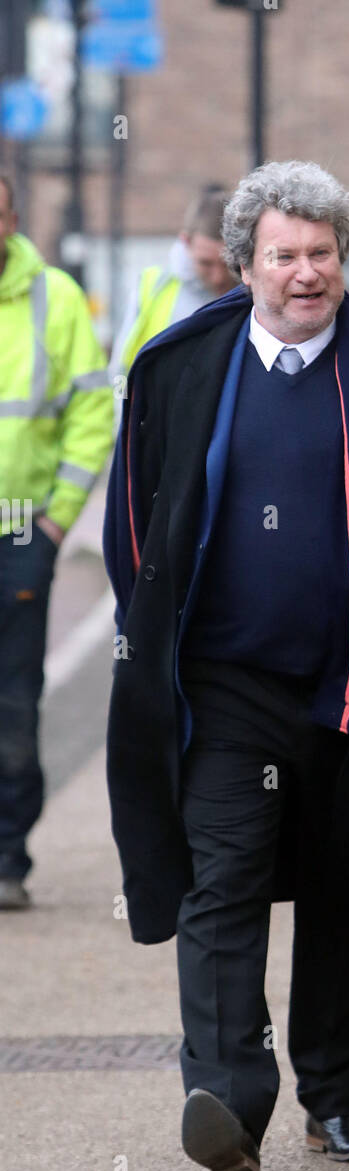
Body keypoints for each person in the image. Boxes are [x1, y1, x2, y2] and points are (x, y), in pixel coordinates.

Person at [103, 160, 349, 1171]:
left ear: (342, 259)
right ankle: (227, 1097)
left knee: (347, 888)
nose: (304, 273)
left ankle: (333, 1095)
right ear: (244, 262)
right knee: (219, 884)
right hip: (226, 685)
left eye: (322, 254)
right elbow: (136, 524)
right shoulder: (181, 366)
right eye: (285, 255)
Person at [0, 171, 113, 911]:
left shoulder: (54, 297)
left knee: (11, 698)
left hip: (17, 524)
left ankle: (6, 853)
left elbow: (91, 409)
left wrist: (54, 518)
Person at [109, 184, 238, 380]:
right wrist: (124, 408)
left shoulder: (257, 292)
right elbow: (122, 367)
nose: (218, 276)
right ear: (186, 242)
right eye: (206, 263)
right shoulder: (151, 287)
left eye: (227, 263)